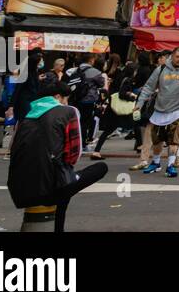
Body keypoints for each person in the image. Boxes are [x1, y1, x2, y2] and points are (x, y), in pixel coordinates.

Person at [6, 79, 108, 232]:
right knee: (98, 168)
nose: (67, 102)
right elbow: (74, 154)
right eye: (66, 98)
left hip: (19, 189)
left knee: (61, 180)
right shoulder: (68, 112)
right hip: (51, 188)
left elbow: (13, 149)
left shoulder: (26, 115)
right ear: (58, 97)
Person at [134, 48, 179, 177]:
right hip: (160, 109)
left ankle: (170, 166)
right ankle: (156, 163)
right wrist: (139, 104)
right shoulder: (161, 69)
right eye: (177, 56)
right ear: (172, 56)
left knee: (174, 140)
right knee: (157, 140)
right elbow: (148, 87)